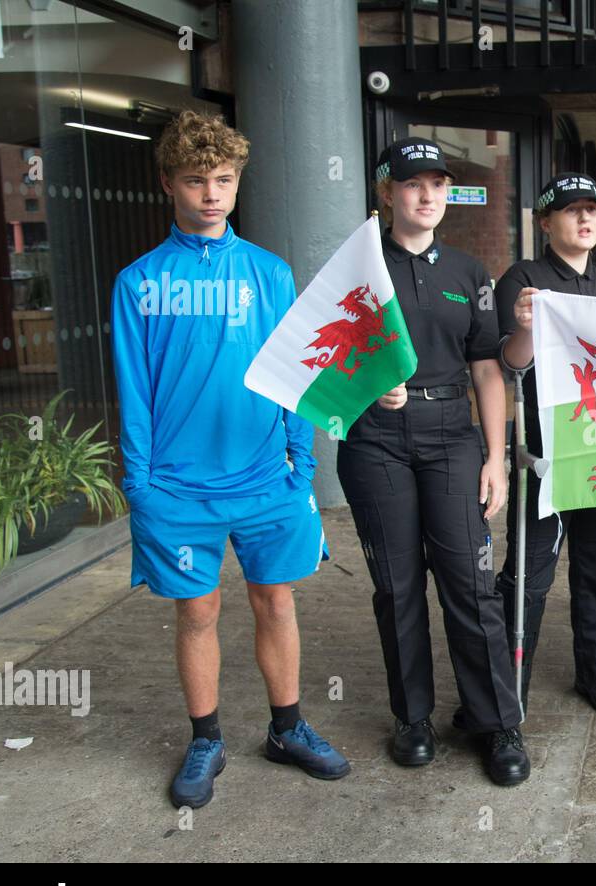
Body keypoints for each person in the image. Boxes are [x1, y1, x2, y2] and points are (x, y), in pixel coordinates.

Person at [111, 110, 348, 810]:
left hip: (267, 476)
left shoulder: (272, 274)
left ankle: (287, 727)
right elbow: (133, 390)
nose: (211, 193)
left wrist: (300, 465)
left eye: (223, 179)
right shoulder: (138, 283)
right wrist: (141, 484)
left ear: (238, 181)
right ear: (168, 184)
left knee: (276, 600)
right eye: (195, 180)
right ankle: (206, 739)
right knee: (198, 612)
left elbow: (298, 375)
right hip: (178, 487)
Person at [336, 137, 528, 786]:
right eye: (413, 184)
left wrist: (497, 456)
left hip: (452, 435)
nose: (427, 196)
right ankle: (412, 716)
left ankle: (494, 718)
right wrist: (366, 380)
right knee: (396, 588)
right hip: (375, 438)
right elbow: (323, 357)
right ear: (386, 191)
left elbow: (487, 366)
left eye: (438, 185)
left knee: (470, 583)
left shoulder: (470, 273)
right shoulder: (356, 266)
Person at [495, 173, 596, 717]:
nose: (584, 219)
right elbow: (508, 362)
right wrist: (527, 327)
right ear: (545, 221)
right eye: (571, 211)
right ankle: (509, 685)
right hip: (544, 453)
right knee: (528, 575)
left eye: (592, 211)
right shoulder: (523, 280)